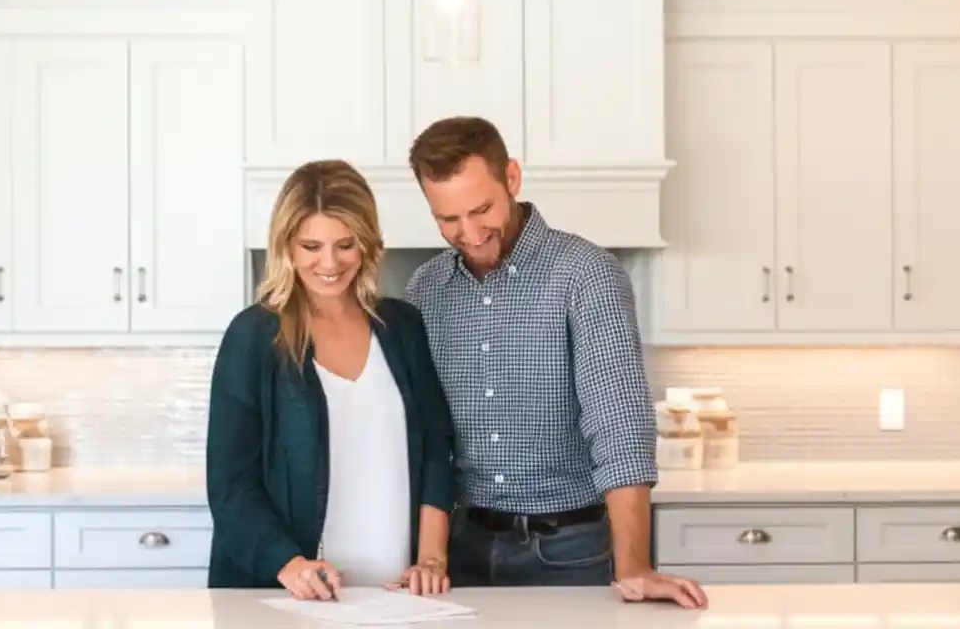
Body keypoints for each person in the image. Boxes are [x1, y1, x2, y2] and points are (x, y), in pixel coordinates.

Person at [402, 117, 708, 609]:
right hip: (463, 551)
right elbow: (423, 437)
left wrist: (634, 566)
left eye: (481, 210)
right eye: (448, 219)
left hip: (570, 551)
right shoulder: (425, 290)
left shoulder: (586, 275)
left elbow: (619, 425)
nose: (470, 233)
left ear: (513, 178)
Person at [206, 159, 459, 600]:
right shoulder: (253, 337)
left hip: (398, 598)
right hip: (288, 597)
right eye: (311, 246)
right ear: (286, 246)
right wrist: (289, 565)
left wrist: (431, 559)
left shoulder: (401, 327)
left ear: (367, 244)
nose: (329, 263)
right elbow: (231, 486)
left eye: (346, 244)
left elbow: (437, 449)